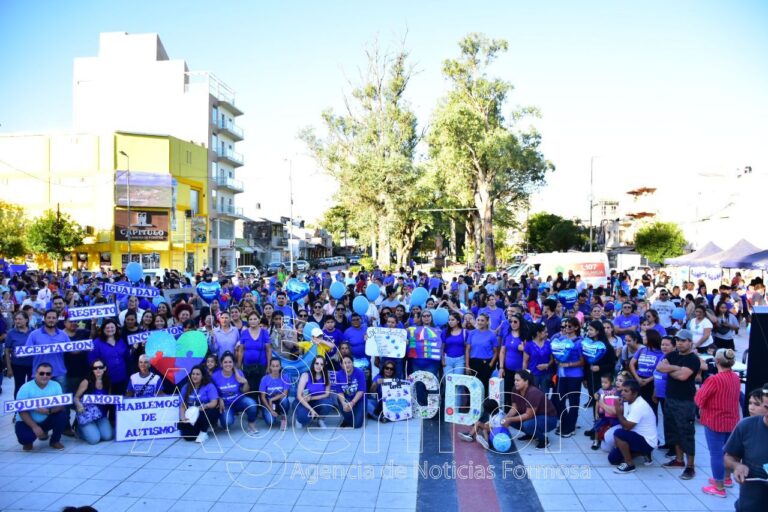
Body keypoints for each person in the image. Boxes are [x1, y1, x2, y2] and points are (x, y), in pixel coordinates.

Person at [695, 348, 742, 498]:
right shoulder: (735, 377)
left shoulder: (713, 379)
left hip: (715, 421)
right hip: (732, 420)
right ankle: (726, 478)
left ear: (716, 362)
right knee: (728, 452)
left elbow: (699, 400)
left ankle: (719, 486)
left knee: (716, 454)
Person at [656, 329, 701, 479]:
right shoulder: (671, 355)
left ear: (690, 342)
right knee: (674, 430)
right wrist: (676, 368)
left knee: (686, 433)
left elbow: (683, 376)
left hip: (685, 401)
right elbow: (660, 368)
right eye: (678, 340)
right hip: (670, 398)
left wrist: (671, 369)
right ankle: (679, 460)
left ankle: (690, 466)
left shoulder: (693, 359)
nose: (680, 343)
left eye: (683, 340)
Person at [724, 386, 768, 511]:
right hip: (751, 503)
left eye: (757, 404)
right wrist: (736, 466)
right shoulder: (746, 426)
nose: (752, 407)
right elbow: (728, 458)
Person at [14, 362, 67, 451]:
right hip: (27, 421)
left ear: (51, 375)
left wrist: (49, 411)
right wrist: (34, 427)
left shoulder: (56, 385)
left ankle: (55, 441)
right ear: (35, 374)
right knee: (25, 438)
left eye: (48, 373)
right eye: (41, 373)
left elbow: (61, 405)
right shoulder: (25, 388)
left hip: (47, 418)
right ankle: (28, 442)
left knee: (62, 415)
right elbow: (21, 411)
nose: (45, 376)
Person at [500, 370, 558, 449]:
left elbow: (528, 415)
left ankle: (544, 440)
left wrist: (509, 419)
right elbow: (514, 408)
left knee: (527, 424)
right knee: (511, 420)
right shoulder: (515, 389)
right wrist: (506, 418)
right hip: (534, 416)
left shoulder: (533, 392)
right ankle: (531, 434)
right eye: (514, 380)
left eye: (518, 380)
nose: (515, 382)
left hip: (549, 418)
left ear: (526, 381)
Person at [611, 379, 657, 473]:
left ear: (635, 393)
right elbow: (625, 423)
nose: (622, 393)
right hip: (638, 435)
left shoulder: (639, 405)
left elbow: (627, 427)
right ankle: (644, 453)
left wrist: (618, 411)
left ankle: (630, 465)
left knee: (618, 433)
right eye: (622, 390)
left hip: (647, 440)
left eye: (626, 391)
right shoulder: (629, 401)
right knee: (613, 459)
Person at [552, 317, 584, 438]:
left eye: (569, 326)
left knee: (573, 401)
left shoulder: (580, 342)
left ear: (576, 327)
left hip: (575, 375)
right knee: (559, 400)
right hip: (561, 375)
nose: (567, 328)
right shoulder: (560, 339)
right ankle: (565, 422)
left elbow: (582, 361)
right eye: (565, 326)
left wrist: (568, 364)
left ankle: (571, 426)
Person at [212, 352, 258, 433]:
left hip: (238, 400)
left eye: (230, 362)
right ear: (221, 364)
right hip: (225, 404)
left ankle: (251, 424)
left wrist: (245, 382)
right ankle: (222, 418)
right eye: (225, 362)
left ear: (233, 363)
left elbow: (245, 391)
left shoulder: (239, 373)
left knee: (252, 403)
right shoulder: (215, 376)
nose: (228, 364)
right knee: (227, 422)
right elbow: (212, 392)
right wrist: (219, 398)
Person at [24, 310, 69, 389]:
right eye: (48, 318)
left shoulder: (63, 334)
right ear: (44, 319)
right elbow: (26, 352)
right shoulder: (34, 334)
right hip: (39, 373)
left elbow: (72, 350)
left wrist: (86, 347)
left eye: (54, 318)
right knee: (38, 398)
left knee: (60, 399)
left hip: (59, 373)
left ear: (57, 320)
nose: (51, 320)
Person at [72, 358, 114, 444]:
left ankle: (94, 428)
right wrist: (79, 405)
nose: (98, 370)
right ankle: (79, 429)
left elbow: (109, 399)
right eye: (95, 368)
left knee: (108, 436)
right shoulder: (86, 382)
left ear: (104, 368)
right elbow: (76, 398)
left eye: (100, 367)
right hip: (87, 415)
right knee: (94, 440)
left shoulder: (108, 381)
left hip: (101, 415)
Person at [178, 365, 221, 443]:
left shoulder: (209, 386)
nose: (195, 376)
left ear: (202, 376)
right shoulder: (186, 387)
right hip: (191, 415)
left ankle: (204, 432)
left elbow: (214, 403)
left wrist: (203, 407)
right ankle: (200, 428)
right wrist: (183, 417)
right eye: (193, 374)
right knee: (188, 437)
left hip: (204, 411)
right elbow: (182, 405)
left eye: (198, 374)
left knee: (209, 412)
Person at [88, 319, 130, 396]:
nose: (110, 329)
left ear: (116, 328)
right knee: (109, 406)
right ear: (103, 329)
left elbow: (127, 357)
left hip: (122, 378)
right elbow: (92, 361)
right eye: (107, 328)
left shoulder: (121, 341)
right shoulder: (96, 343)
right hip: (106, 381)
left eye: (112, 327)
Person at [629, 329, 664, 417]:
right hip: (639, 380)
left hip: (652, 383)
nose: (643, 337)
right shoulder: (642, 350)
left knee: (651, 409)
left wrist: (648, 380)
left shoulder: (661, 353)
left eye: (645, 336)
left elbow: (659, 370)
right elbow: (631, 364)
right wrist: (637, 378)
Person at [294, 356, 333, 428]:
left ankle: (321, 420)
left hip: (317, 401)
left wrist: (311, 398)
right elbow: (299, 396)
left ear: (324, 366)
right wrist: (311, 410)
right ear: (313, 364)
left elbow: (327, 394)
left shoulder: (326, 375)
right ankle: (299, 419)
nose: (319, 366)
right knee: (304, 418)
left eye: (321, 364)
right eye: (317, 363)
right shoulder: (305, 375)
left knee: (328, 402)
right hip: (303, 401)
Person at [465, 313, 498, 396]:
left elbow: (496, 351)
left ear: (487, 322)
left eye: (482, 320)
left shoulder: (492, 335)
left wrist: (490, 364)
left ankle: (484, 407)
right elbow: (468, 349)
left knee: (484, 386)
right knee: (472, 386)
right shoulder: (472, 333)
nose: (479, 322)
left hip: (486, 363)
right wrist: (467, 365)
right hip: (473, 363)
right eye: (478, 320)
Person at [238, 312, 271, 393]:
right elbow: (241, 350)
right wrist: (239, 366)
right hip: (247, 367)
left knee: (261, 390)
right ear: (248, 321)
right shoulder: (244, 332)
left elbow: (268, 350)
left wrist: (269, 366)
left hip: (261, 367)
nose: (252, 321)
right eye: (250, 319)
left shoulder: (264, 332)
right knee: (249, 390)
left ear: (259, 320)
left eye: (255, 319)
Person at [5, 311, 33, 398]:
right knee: (19, 386)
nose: (17, 321)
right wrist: (9, 368)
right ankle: (18, 409)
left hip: (32, 364)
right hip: (17, 365)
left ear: (26, 320)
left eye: (20, 319)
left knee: (31, 387)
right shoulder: (10, 333)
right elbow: (7, 351)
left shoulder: (33, 332)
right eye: (16, 319)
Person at [334, 354, 366, 428]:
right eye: (345, 363)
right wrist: (343, 403)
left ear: (352, 363)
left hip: (359, 399)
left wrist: (352, 402)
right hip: (346, 398)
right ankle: (347, 418)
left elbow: (361, 390)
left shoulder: (359, 373)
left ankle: (352, 416)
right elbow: (339, 391)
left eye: (349, 362)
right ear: (341, 365)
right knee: (340, 401)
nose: (347, 365)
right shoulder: (338, 374)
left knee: (357, 425)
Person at [259, 358, 290, 430]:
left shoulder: (285, 377)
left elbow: (285, 393)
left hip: (279, 402)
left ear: (280, 367)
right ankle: (271, 414)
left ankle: (283, 418)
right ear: (270, 367)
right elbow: (263, 397)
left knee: (285, 400)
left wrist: (271, 399)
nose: (275, 368)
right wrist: (271, 410)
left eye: (277, 366)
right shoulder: (265, 379)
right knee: (270, 422)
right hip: (269, 404)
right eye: (273, 366)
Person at [589, 374, 619, 450]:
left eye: (606, 382)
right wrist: (596, 413)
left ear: (611, 382)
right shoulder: (600, 391)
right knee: (597, 426)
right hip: (602, 414)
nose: (603, 384)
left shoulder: (615, 391)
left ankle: (613, 442)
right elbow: (597, 402)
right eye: (602, 382)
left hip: (612, 414)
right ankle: (596, 440)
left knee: (613, 427)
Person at [522, 323, 553, 392]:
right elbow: (525, 362)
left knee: (544, 396)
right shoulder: (529, 345)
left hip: (546, 375)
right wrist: (524, 376)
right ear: (538, 333)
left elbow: (552, 359)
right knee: (533, 395)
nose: (547, 334)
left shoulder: (548, 344)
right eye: (545, 332)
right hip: (533, 375)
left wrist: (547, 365)